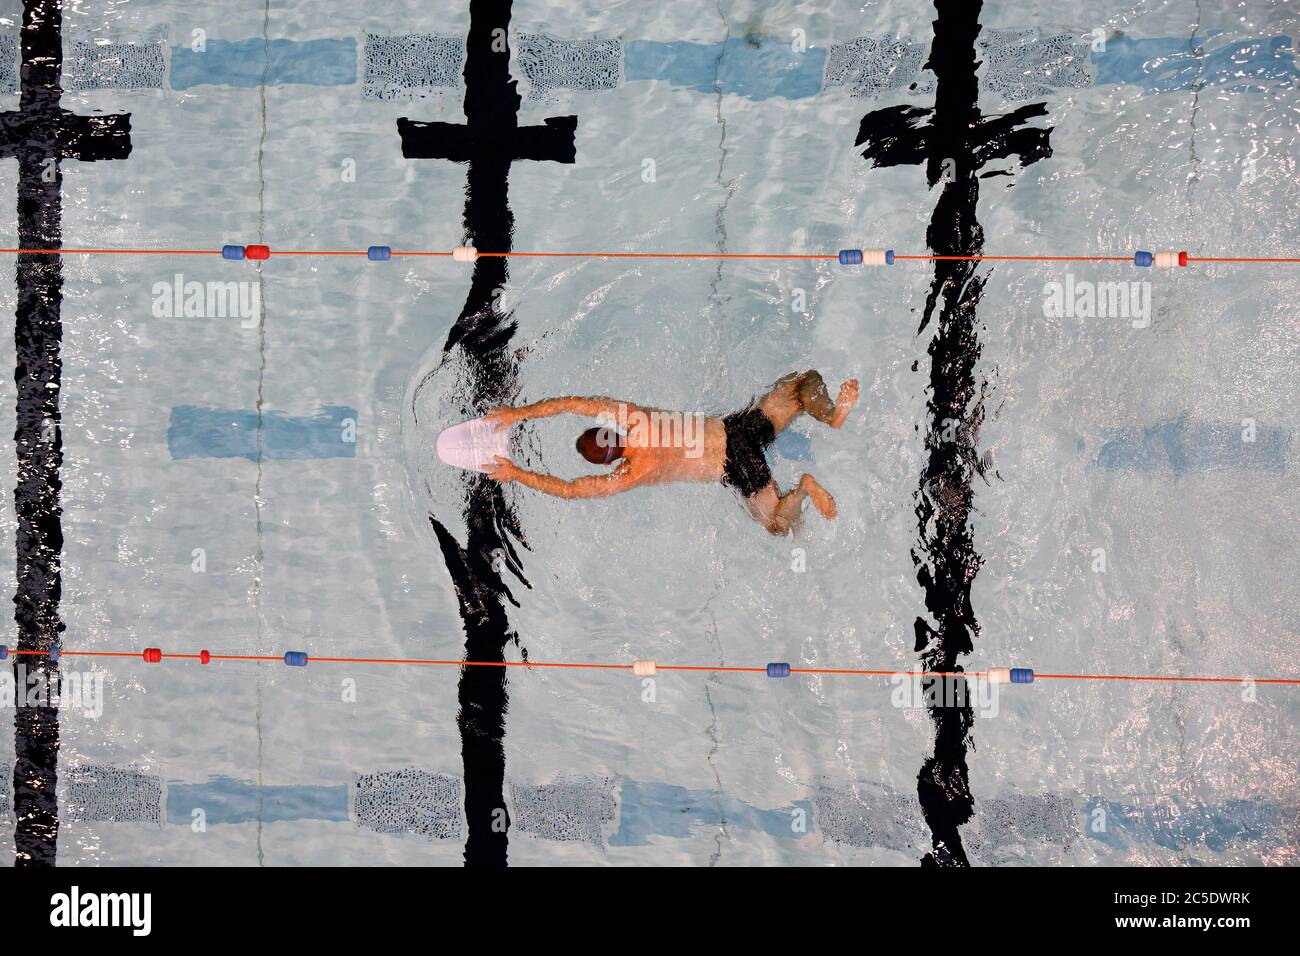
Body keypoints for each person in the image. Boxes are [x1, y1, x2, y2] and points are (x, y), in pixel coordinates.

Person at [482, 371, 858, 534]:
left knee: (778, 524)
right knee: (801, 384)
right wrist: (519, 413)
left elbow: (570, 490)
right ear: (607, 429)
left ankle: (805, 487)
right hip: (739, 428)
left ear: (609, 461)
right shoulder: (632, 418)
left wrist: (516, 474)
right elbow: (573, 403)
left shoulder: (630, 473)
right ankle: (830, 415)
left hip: (737, 467)